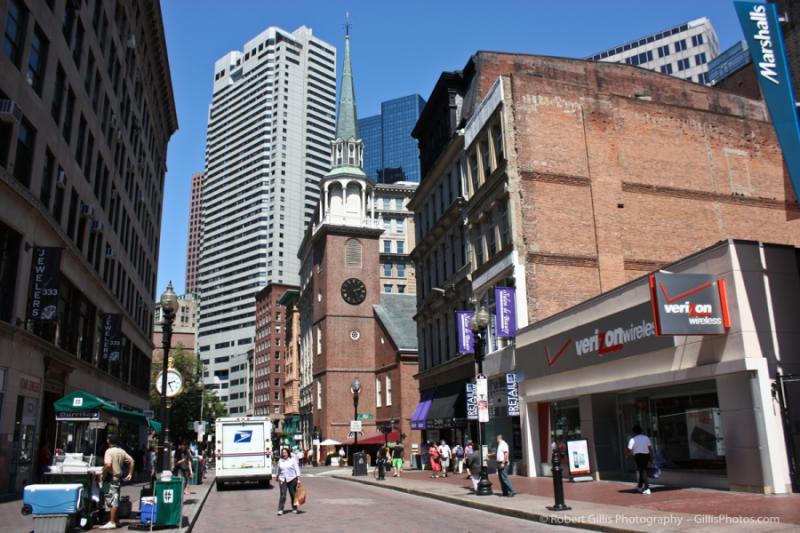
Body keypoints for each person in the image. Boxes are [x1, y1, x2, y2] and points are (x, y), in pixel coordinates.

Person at [98, 434, 134, 530]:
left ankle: (112, 522)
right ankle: (116, 520)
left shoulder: (109, 451)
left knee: (113, 500)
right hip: (118, 478)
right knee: (115, 498)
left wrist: (102, 472)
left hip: (111, 478)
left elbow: (108, 464)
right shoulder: (121, 451)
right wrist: (130, 473)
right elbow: (132, 461)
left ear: (108, 441)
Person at [627, 425, 654, 495]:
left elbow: (629, 449)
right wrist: (651, 457)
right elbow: (650, 448)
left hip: (638, 456)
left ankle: (647, 488)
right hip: (646, 455)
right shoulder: (646, 438)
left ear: (634, 432)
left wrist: (626, 454)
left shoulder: (632, 439)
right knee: (642, 470)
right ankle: (639, 486)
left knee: (642, 471)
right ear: (641, 431)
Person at [276, 448, 301, 515]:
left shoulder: (292, 460)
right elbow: (278, 469)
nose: (284, 454)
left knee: (293, 494)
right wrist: (277, 476)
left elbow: (297, 469)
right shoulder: (280, 460)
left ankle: (294, 508)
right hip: (282, 479)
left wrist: (298, 479)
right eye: (283, 453)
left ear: (288, 453)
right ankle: (280, 509)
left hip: (292, 479)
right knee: (283, 495)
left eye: (285, 452)